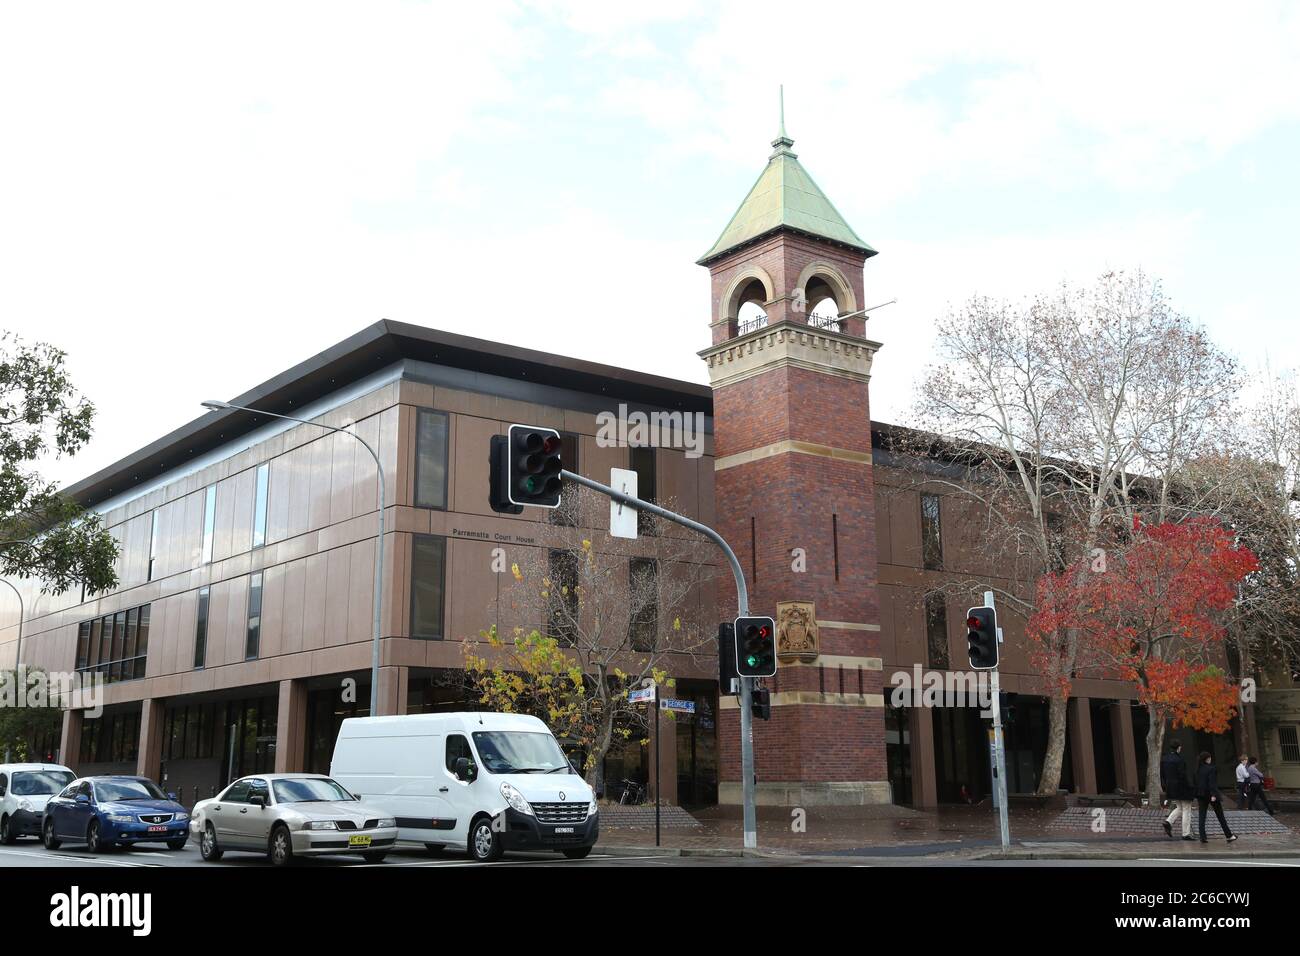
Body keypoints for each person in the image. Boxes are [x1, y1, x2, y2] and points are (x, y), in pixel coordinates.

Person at [1196, 751, 1238, 844]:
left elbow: (1197, 783)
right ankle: (1229, 835)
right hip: (1211, 794)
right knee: (1220, 816)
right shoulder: (1211, 769)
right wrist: (1214, 795)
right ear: (1207, 758)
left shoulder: (1198, 769)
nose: (1211, 759)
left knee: (1202, 816)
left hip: (1201, 795)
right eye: (1210, 758)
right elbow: (1212, 783)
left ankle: (1203, 836)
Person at [1160, 742, 1196, 840]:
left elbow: (1162, 774)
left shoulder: (1165, 759)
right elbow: (1182, 775)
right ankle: (1185, 834)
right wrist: (1190, 787)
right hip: (1181, 787)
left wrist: (1166, 786)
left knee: (1180, 807)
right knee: (1186, 809)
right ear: (1178, 748)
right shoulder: (1179, 759)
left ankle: (1168, 822)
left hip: (1170, 787)